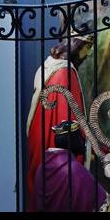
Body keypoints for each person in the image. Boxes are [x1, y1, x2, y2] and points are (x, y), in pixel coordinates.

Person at [25, 36, 92, 211]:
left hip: (41, 135)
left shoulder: (47, 68)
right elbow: (68, 118)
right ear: (77, 47)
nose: (88, 54)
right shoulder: (65, 73)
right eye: (87, 48)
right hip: (56, 141)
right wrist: (86, 144)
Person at [31, 120, 100, 212]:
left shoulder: (41, 168)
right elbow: (101, 200)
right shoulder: (74, 169)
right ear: (75, 141)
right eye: (79, 136)